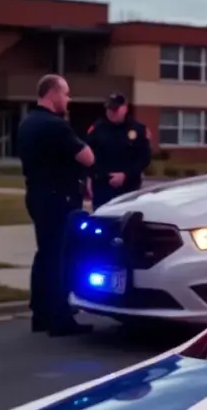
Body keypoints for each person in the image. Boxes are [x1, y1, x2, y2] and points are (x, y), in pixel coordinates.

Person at [16, 74, 95, 336]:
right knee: (60, 258)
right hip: (58, 198)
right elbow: (87, 157)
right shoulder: (55, 125)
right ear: (52, 93)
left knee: (45, 255)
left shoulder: (27, 123)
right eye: (66, 93)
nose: (68, 99)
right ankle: (60, 319)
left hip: (36, 194)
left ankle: (40, 314)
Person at [85, 93, 152, 211]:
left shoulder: (138, 129)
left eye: (115, 109)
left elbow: (144, 158)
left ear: (125, 108)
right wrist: (89, 177)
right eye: (109, 109)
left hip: (129, 188)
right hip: (102, 187)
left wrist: (125, 175)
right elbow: (88, 156)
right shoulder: (96, 129)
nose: (112, 113)